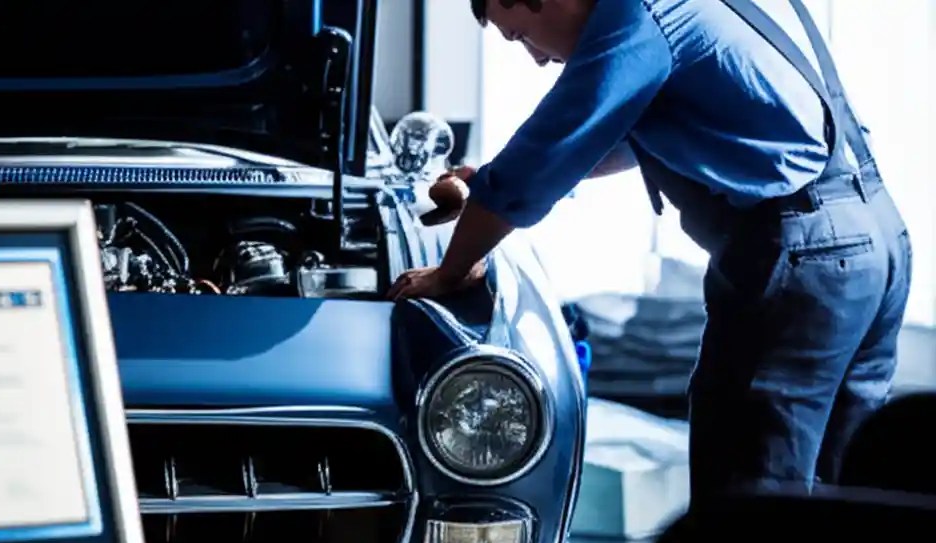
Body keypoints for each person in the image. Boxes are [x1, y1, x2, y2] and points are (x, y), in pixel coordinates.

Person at [388, 0, 912, 503]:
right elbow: (606, 137)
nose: (537, 58)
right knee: (850, 489)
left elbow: (547, 151)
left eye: (521, 35)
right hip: (876, 238)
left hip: (805, 256)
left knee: (750, 489)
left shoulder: (638, 12)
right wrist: (490, 182)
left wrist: (450, 272)